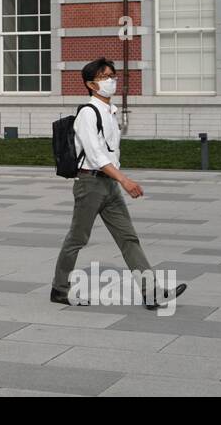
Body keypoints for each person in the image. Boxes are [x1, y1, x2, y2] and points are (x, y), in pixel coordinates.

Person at [50, 57, 187, 309]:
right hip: (90, 184)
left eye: (112, 75)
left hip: (108, 184)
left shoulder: (110, 113)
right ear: (91, 84)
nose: (111, 80)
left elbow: (110, 152)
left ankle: (151, 292)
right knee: (77, 238)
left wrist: (117, 180)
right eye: (104, 77)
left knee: (128, 238)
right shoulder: (87, 115)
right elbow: (96, 155)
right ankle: (60, 288)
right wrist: (124, 180)